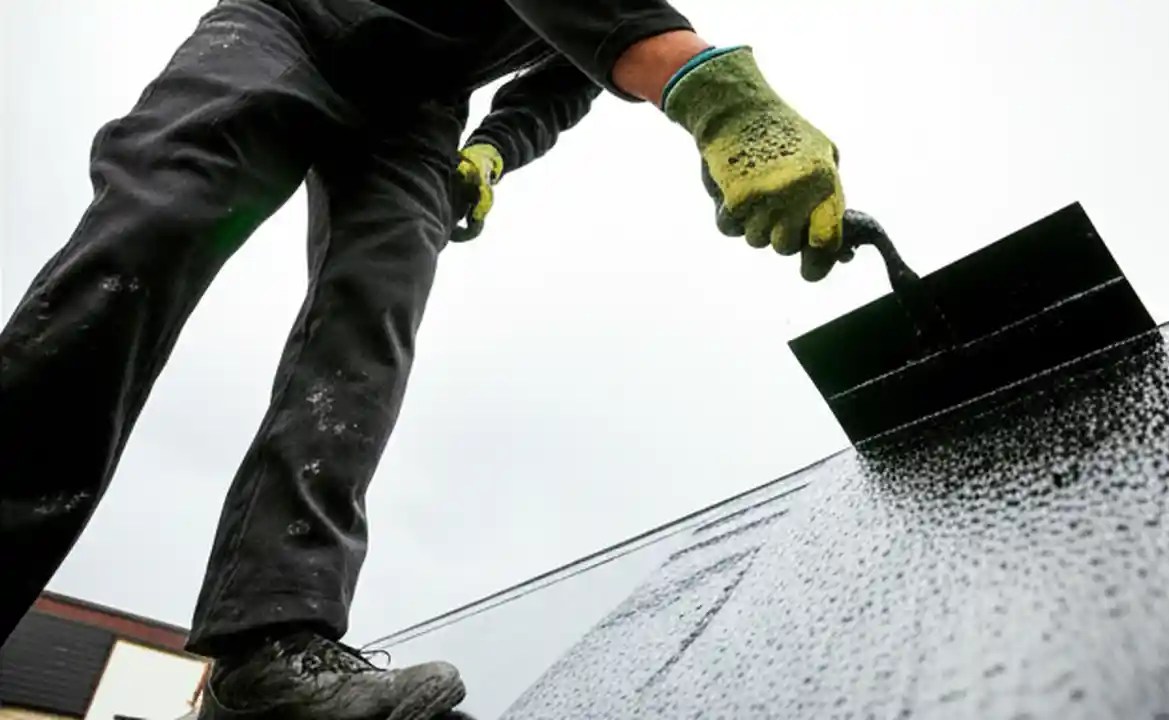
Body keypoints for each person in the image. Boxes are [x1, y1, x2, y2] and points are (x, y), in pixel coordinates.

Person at [0, 0, 846, 717]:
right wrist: (713, 92)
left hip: (419, 106)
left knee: (370, 326)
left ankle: (269, 646)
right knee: (150, 234)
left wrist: (491, 151)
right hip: (290, 19)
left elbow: (570, 73)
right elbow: (632, 37)